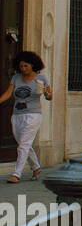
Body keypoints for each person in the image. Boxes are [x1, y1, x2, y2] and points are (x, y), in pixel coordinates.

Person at [0, 51, 53, 182]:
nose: (23, 69)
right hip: (17, 114)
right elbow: (8, 93)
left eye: (26, 66)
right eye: (21, 66)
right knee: (24, 144)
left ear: (33, 65)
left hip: (33, 115)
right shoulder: (16, 78)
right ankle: (36, 167)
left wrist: (47, 94)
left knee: (23, 145)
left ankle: (16, 174)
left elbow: (50, 96)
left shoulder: (41, 78)